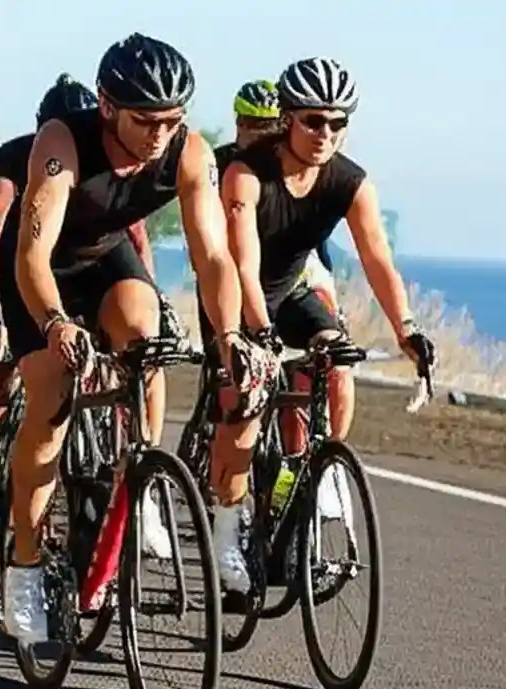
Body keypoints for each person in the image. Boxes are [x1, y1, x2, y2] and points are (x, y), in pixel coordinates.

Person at [1, 34, 272, 644]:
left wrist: (230, 337)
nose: (159, 134)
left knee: (146, 333)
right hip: (42, 273)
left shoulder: (188, 152)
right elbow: (32, 253)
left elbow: (213, 258)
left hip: (106, 258)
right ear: (106, 106)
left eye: (172, 120)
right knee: (50, 407)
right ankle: (23, 567)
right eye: (145, 120)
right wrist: (55, 323)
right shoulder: (61, 142)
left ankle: (139, 472)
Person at [214, 56, 436, 590]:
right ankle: (226, 529)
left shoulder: (350, 182)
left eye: (338, 123)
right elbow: (241, 262)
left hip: (289, 292)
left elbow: (377, 257)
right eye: (314, 120)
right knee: (245, 400)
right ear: (287, 118)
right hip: (235, 294)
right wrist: (257, 333)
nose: (326, 134)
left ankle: (326, 462)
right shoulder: (247, 174)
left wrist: (406, 329)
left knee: (338, 356)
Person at [0, 74, 95, 531]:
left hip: (58, 265)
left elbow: (131, 235)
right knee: (0, 356)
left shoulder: (99, 157)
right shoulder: (16, 156)